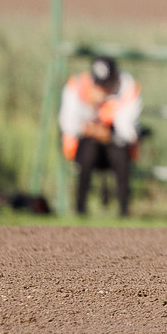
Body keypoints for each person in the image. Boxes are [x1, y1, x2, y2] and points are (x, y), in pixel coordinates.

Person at [59, 54, 142, 216]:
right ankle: (80, 209)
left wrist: (107, 130)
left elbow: (127, 130)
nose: (103, 89)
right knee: (89, 149)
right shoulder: (78, 87)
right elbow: (68, 123)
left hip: (115, 145)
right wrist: (92, 111)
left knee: (120, 153)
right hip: (88, 147)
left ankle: (124, 211)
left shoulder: (128, 88)